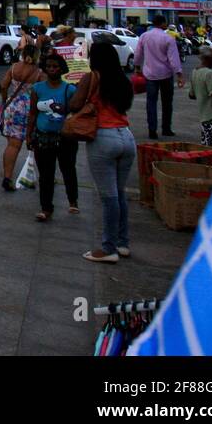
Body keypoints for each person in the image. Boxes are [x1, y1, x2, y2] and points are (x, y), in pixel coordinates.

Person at [72, 41, 136, 263]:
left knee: (109, 197)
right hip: (126, 136)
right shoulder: (122, 79)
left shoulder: (92, 77)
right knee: (119, 194)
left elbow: (75, 105)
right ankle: (122, 242)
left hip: (103, 138)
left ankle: (108, 248)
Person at [27, 52, 79, 221]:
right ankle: (46, 208)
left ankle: (73, 200)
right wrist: (29, 135)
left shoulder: (70, 89)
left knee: (68, 169)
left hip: (65, 138)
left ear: (61, 69)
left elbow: (75, 113)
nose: (51, 69)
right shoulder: (38, 88)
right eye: (48, 66)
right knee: (46, 175)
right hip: (43, 137)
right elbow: (33, 113)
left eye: (55, 66)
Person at [0, 44, 43, 192]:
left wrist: (5, 102)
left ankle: (7, 177)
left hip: (13, 105)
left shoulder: (14, 67)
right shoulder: (38, 72)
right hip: (30, 108)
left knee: (13, 145)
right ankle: (42, 176)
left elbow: (3, 86)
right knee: (35, 144)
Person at [134, 14, 184, 139]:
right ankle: (166, 128)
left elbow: (138, 54)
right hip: (166, 74)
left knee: (151, 103)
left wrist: (137, 67)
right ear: (162, 24)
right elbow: (174, 59)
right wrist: (179, 74)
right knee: (167, 103)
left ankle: (152, 130)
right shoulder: (168, 38)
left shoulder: (144, 36)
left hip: (150, 75)